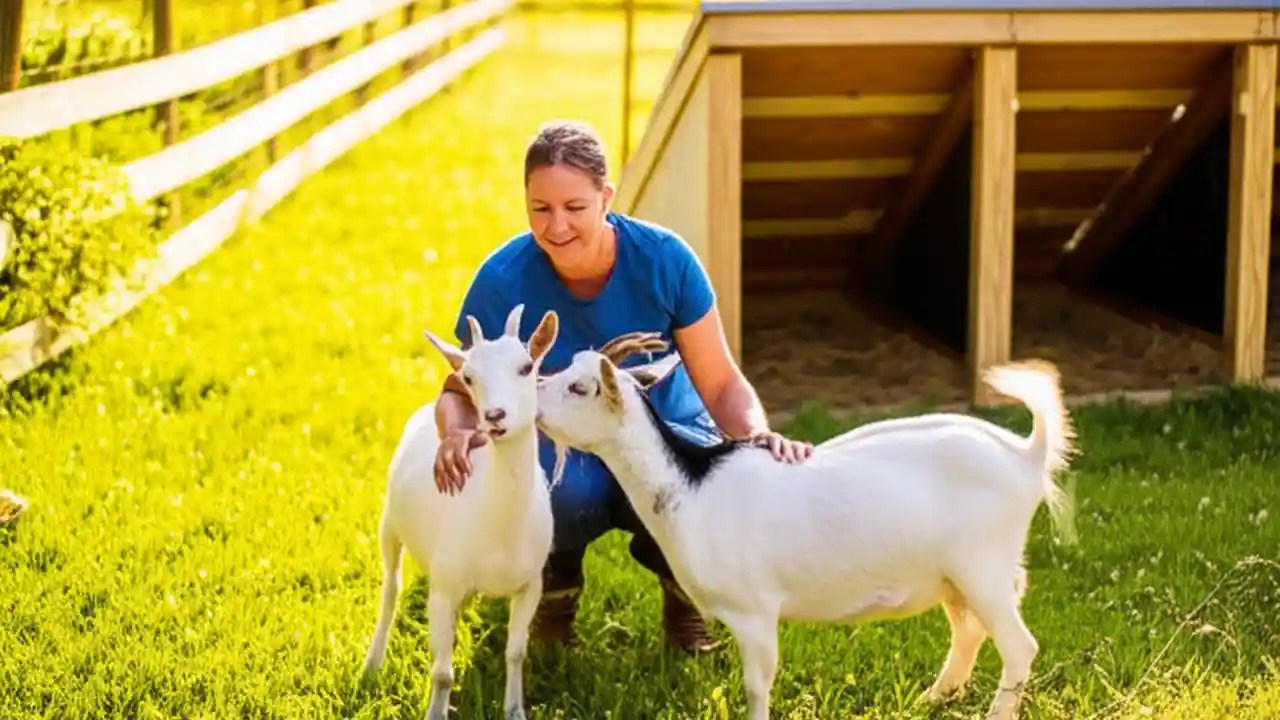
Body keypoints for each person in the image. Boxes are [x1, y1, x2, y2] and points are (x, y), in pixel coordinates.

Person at [431, 119, 813, 654]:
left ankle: (686, 602)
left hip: (665, 433)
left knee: (699, 485)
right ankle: (554, 598)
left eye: (575, 208)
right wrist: (456, 432)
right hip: (561, 446)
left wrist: (755, 437)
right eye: (540, 209)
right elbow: (455, 392)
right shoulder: (501, 280)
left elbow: (721, 382)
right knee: (551, 491)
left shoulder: (665, 259)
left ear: (606, 197)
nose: (556, 225)